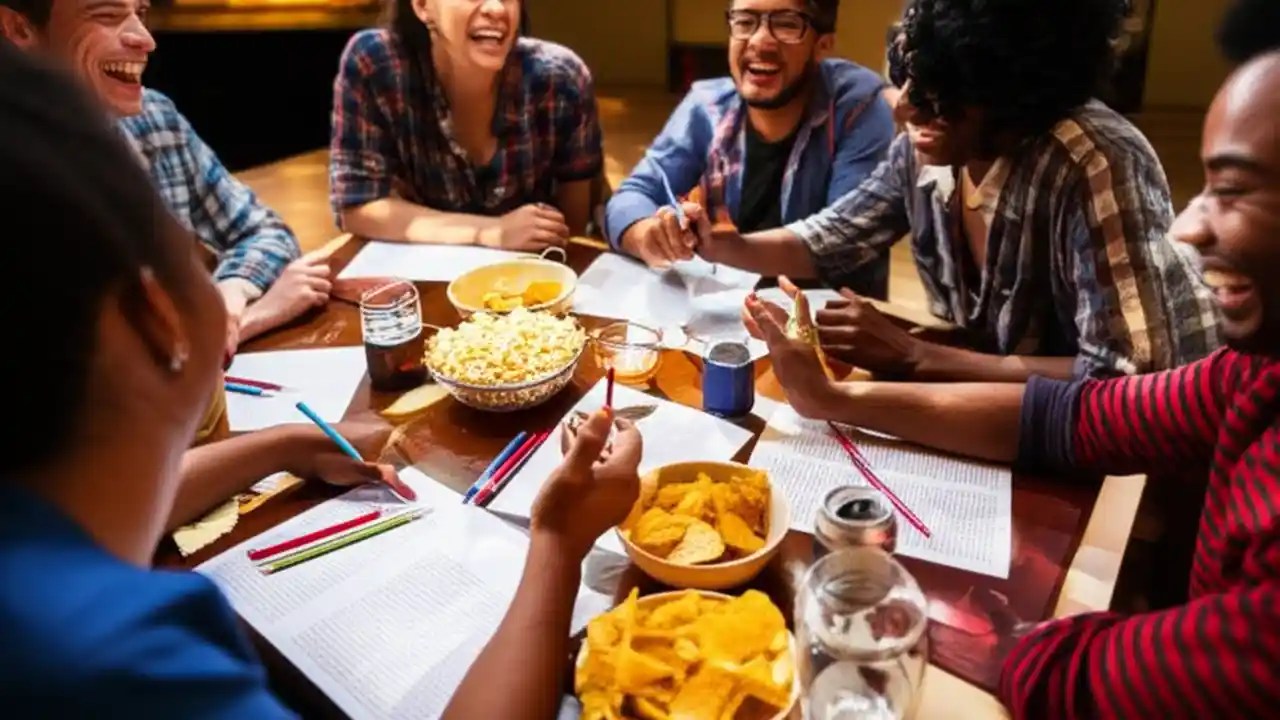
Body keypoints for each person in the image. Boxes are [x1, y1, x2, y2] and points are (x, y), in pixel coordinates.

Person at [0, 45, 642, 719]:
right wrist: (558, 541)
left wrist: (280, 445)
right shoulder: (127, 667)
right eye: (192, 252)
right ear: (157, 322)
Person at [744, 48, 1280, 720]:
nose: (1187, 226)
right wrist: (829, 398)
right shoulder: (1255, 375)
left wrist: (925, 627)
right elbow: (1078, 418)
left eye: (1233, 190)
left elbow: (1090, 679)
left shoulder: (1088, 157)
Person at [717, 0, 1221, 381]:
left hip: (1169, 453)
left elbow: (1125, 376)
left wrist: (919, 354)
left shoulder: (1095, 159)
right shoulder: (929, 150)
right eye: (908, 78)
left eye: (940, 92)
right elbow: (832, 238)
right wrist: (719, 242)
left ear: (1012, 90)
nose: (904, 108)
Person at [0, 0, 329, 359]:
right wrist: (256, 316)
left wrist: (229, 297)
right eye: (107, 15)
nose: (146, 39)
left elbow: (265, 232)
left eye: (140, 13)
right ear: (18, 29)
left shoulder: (154, 120)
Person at [606, 0, 896, 298]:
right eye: (745, 22)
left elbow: (844, 244)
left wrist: (725, 249)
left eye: (786, 24)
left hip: (833, 320)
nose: (760, 42)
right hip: (734, 311)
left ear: (823, 44)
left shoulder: (858, 107)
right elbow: (631, 197)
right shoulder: (709, 106)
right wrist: (648, 234)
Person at [330, 0, 603, 251]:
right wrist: (491, 232)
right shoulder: (376, 63)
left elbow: (575, 223)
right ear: (423, 5)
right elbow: (357, 206)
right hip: (420, 285)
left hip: (532, 284)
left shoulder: (561, 80)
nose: (496, 8)